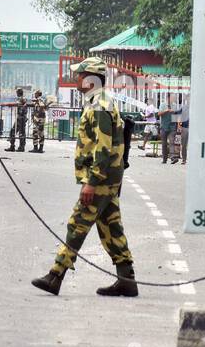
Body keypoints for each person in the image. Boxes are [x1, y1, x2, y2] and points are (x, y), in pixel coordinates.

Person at [31, 56, 137, 297]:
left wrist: (92, 181)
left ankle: (55, 275)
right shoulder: (98, 102)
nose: (76, 79)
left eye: (80, 75)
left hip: (101, 177)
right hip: (108, 176)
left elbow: (103, 146)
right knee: (111, 227)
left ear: (90, 79)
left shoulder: (100, 105)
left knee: (77, 223)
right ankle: (126, 279)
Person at [7, 87, 29, 152]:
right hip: (19, 117)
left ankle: (21, 147)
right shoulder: (19, 98)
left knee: (21, 133)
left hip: (21, 118)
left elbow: (25, 106)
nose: (16, 93)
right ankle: (12, 146)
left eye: (17, 92)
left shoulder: (23, 98)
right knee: (13, 131)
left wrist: (22, 115)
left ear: (19, 92)